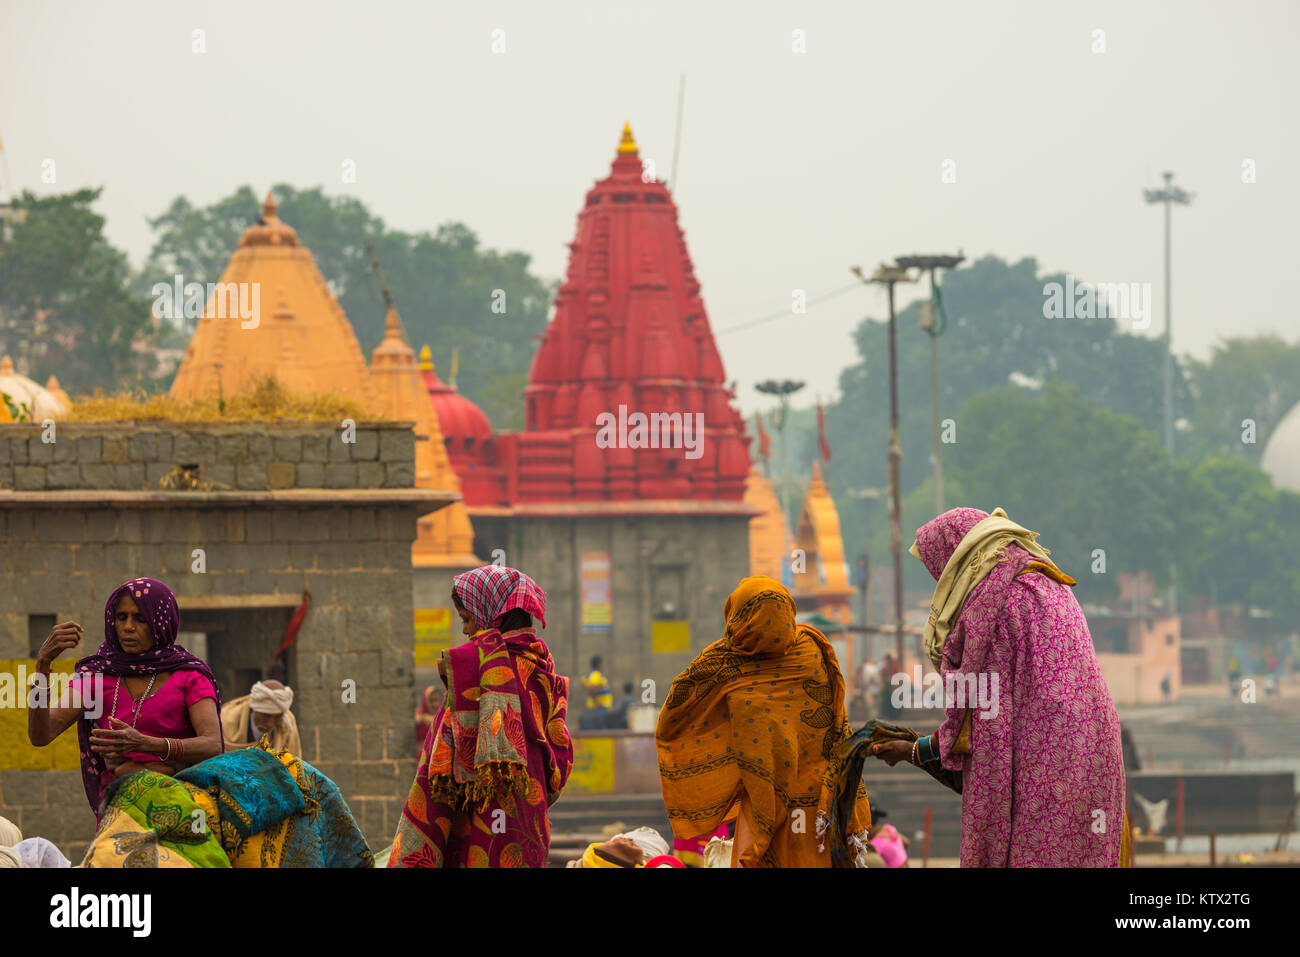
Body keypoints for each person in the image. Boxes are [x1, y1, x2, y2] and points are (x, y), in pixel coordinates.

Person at [869, 507, 1128, 867]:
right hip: (1094, 760)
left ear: (957, 562)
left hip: (1043, 777)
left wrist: (914, 750)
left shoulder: (991, 609)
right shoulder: (1047, 581)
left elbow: (984, 735)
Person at [655, 575, 872, 867]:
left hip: (765, 805)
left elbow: (672, 720)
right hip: (822, 804)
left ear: (737, 615)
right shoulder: (813, 649)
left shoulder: (722, 661)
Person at [390, 565, 573, 868]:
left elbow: (439, 768)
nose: (465, 630)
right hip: (529, 823)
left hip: (475, 823)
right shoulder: (541, 669)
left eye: (467, 618)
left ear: (490, 614)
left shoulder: (470, 667)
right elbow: (558, 758)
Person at [26, 577, 224, 822]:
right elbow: (41, 734)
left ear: (161, 623)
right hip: (119, 811)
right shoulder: (97, 675)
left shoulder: (189, 675)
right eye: (122, 617)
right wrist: (43, 666)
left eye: (140, 619)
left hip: (182, 806)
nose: (128, 627)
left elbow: (213, 745)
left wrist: (146, 744)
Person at [221, 678, 302, 754]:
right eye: (266, 716)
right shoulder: (226, 718)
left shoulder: (288, 721)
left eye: (278, 717)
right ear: (254, 709)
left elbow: (294, 760)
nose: (270, 724)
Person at [413, 684, 445, 756]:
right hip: (421, 757)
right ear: (425, 701)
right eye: (431, 701)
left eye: (437, 700)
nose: (434, 704)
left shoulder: (444, 717)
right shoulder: (419, 716)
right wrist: (423, 717)